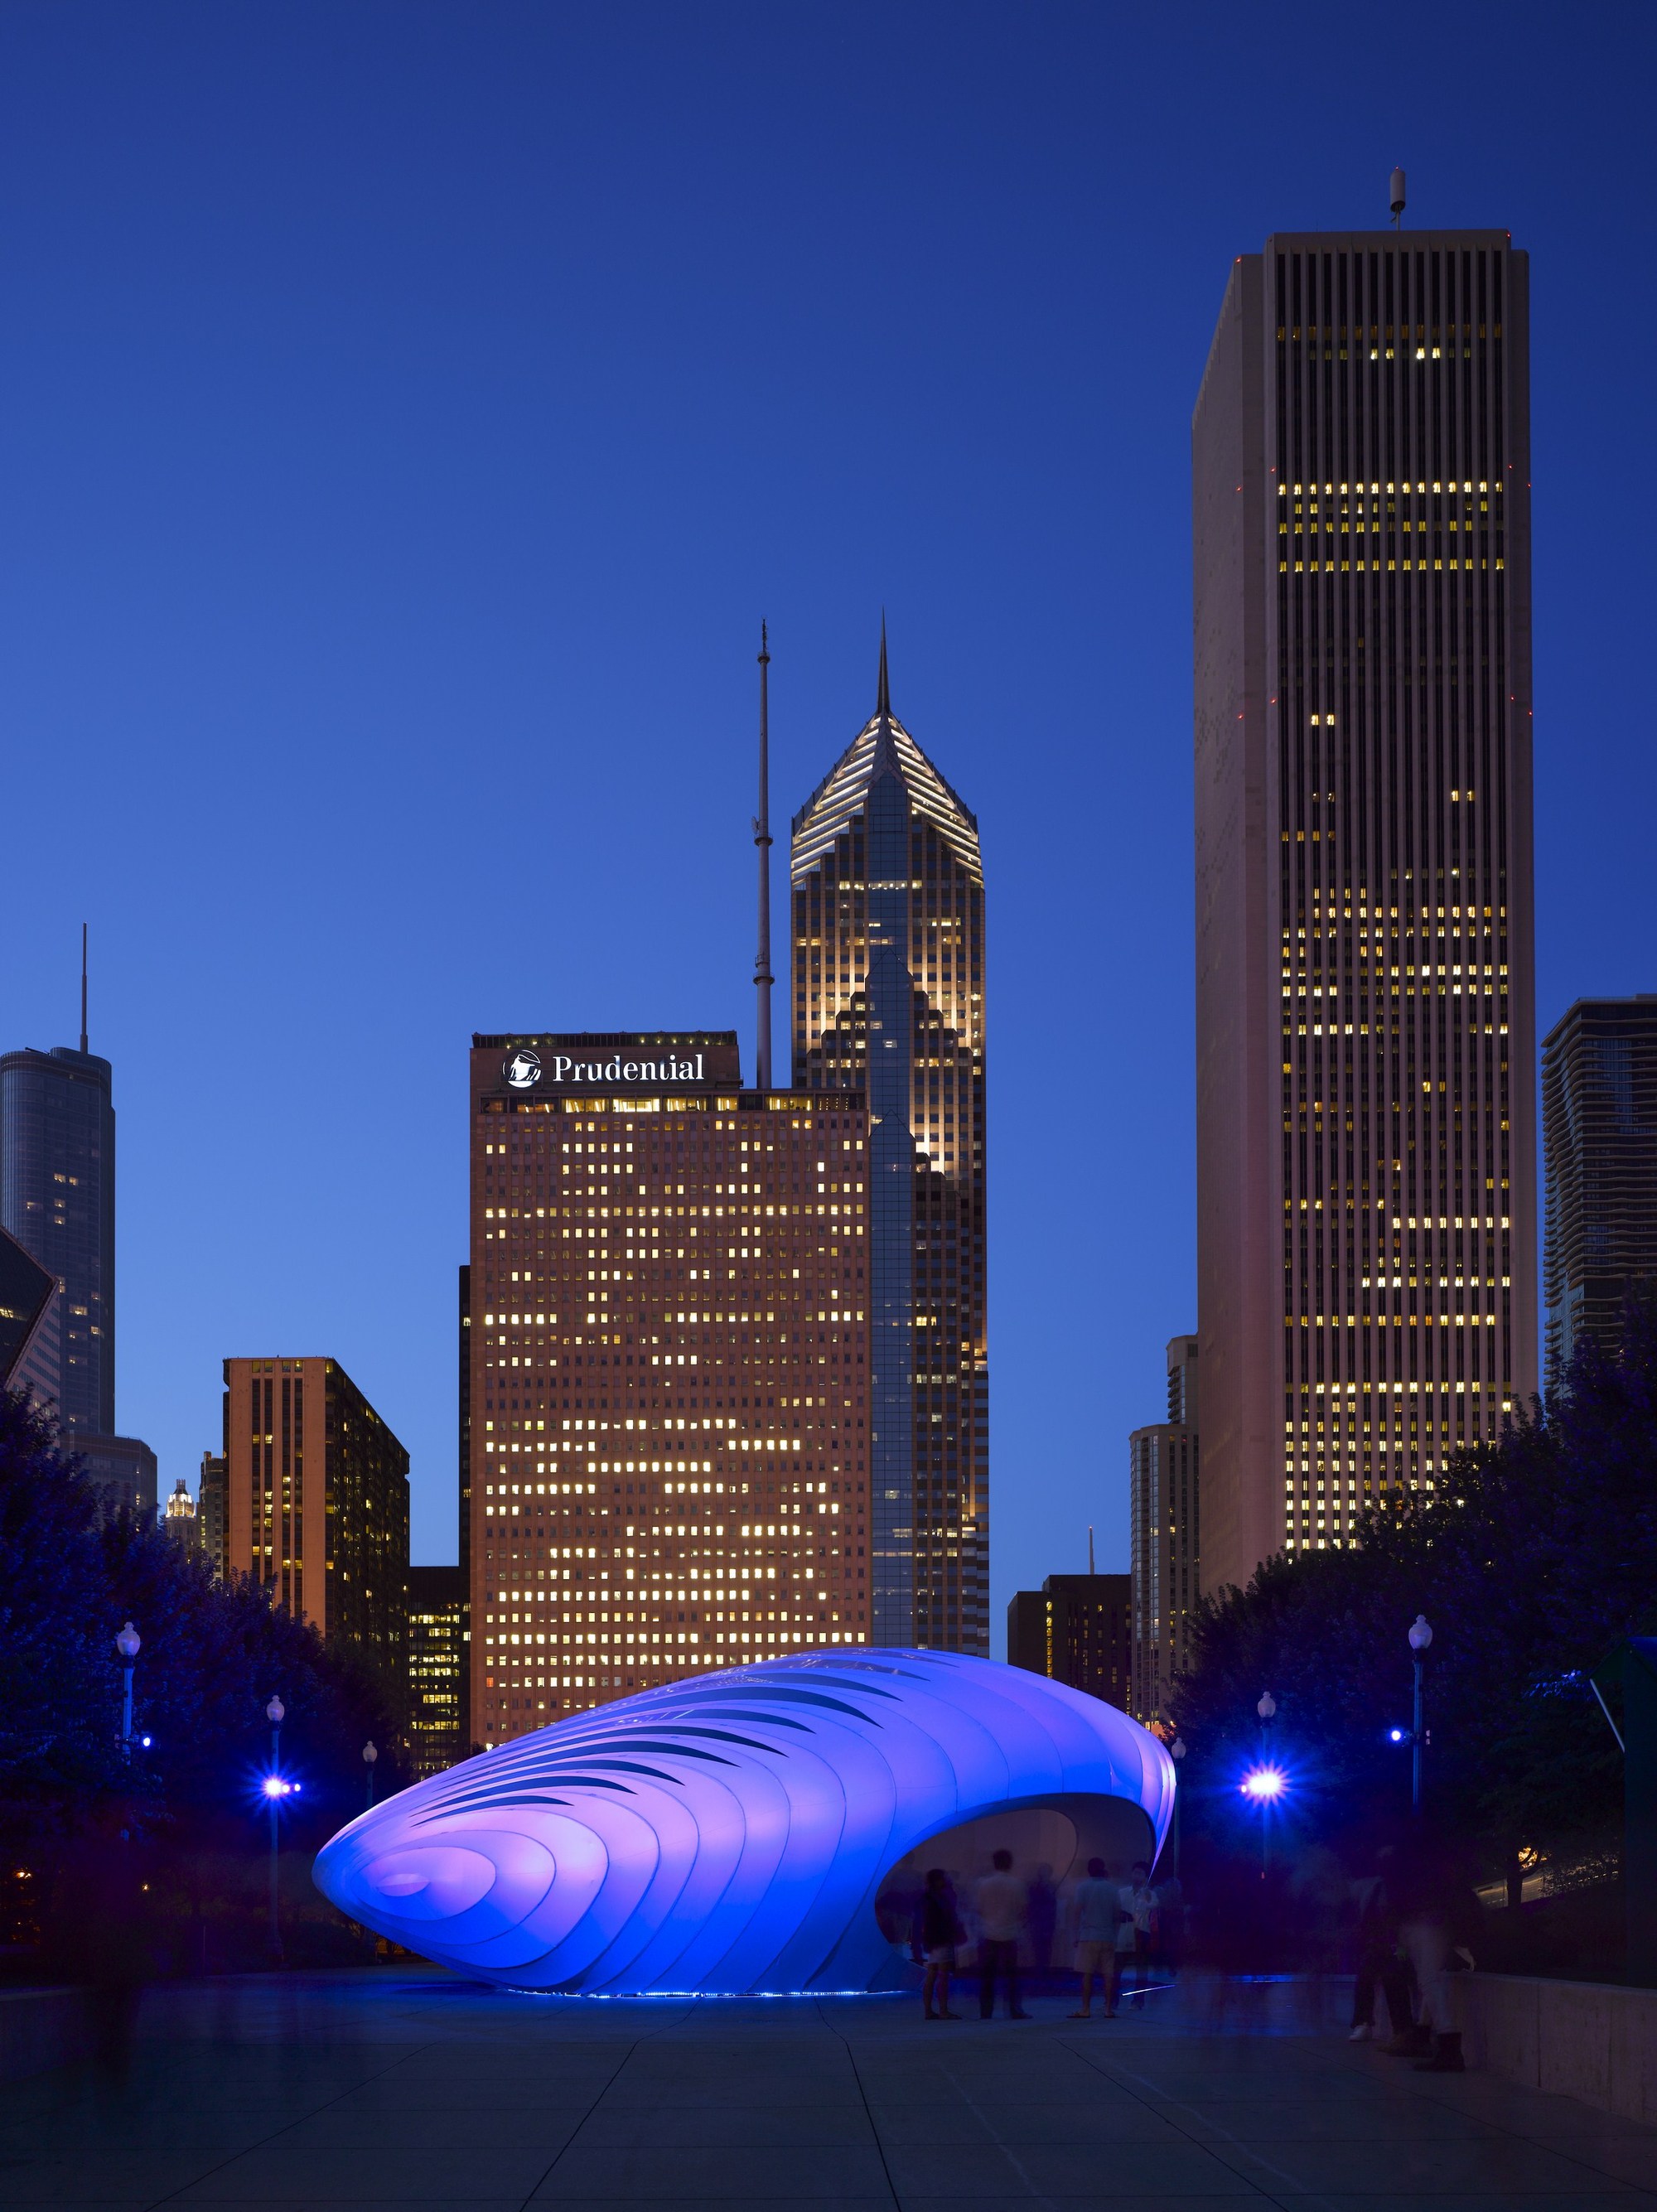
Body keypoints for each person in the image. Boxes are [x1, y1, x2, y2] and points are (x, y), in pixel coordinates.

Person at [1348, 1849, 1412, 2044]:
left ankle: (1401, 2029)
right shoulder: (1377, 1889)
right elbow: (1368, 1920)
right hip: (1381, 1945)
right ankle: (1370, 2024)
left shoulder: (1394, 1889)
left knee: (1392, 1980)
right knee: (1367, 1978)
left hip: (1395, 1946)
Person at [975, 1848, 1029, 2018]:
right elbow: (1023, 1910)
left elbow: (979, 1909)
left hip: (989, 1933)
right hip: (1010, 1933)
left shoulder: (984, 1884)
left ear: (994, 1863)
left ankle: (986, 2011)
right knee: (1012, 1976)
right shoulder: (1017, 1884)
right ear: (1010, 1863)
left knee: (988, 1977)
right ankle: (1014, 2010)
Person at [1067, 1856, 1117, 2018]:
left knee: (1087, 1974)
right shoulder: (1112, 1888)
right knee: (1108, 1975)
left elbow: (1076, 1913)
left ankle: (1086, 2009)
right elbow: (1117, 1914)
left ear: (1089, 1870)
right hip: (1107, 1936)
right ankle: (1108, 2009)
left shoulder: (1083, 1888)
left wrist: (1075, 1935)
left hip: (1088, 1936)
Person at [917, 1868, 963, 2020]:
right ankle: (943, 2010)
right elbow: (944, 1918)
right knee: (942, 1976)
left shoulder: (927, 1897)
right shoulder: (938, 1898)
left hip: (933, 1941)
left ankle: (928, 2011)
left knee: (932, 1974)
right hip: (941, 1940)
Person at [1110, 1862, 1157, 2012]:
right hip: (1124, 1933)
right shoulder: (1122, 1892)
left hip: (1142, 1933)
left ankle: (1138, 2001)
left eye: (1140, 1873)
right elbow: (1115, 1912)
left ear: (1145, 1876)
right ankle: (1112, 2001)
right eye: (1135, 1872)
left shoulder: (1149, 1894)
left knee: (1141, 1970)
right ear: (1132, 1873)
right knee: (1117, 1969)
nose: (1137, 1876)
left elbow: (1153, 1906)